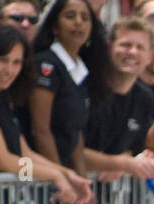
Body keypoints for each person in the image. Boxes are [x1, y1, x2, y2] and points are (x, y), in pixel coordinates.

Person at [0, 26, 92, 204]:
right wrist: (53, 176)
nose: (9, 70)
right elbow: (1, 161)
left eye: (17, 62)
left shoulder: (3, 99)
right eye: (2, 60)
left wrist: (66, 173)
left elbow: (24, 155)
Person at [82, 17, 154, 178]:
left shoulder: (144, 97)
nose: (133, 52)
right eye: (125, 45)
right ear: (109, 47)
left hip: (111, 198)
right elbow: (69, 150)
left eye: (140, 47)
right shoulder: (85, 87)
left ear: (148, 57)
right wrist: (121, 163)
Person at [27, 0, 109, 174]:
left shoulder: (81, 70)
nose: (78, 22)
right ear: (55, 27)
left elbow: (74, 133)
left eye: (85, 18)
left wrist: (82, 181)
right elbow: (40, 130)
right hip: (39, 176)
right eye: (70, 16)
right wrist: (62, 179)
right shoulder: (46, 64)